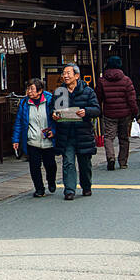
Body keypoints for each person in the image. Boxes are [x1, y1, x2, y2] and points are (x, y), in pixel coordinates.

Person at [51, 64, 99, 200]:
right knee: (68, 163)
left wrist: (86, 111)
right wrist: (54, 115)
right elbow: (53, 109)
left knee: (85, 164)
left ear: (76, 76)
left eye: (68, 73)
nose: (65, 76)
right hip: (66, 134)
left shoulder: (87, 91)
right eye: (64, 73)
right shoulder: (60, 92)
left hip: (83, 133)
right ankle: (69, 190)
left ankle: (86, 186)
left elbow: (97, 109)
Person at [12, 79, 56, 197]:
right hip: (32, 139)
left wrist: (54, 131)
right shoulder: (24, 103)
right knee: (34, 166)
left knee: (50, 165)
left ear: (40, 91)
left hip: (48, 139)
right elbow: (19, 122)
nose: (29, 92)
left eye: (32, 89)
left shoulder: (50, 100)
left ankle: (51, 181)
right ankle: (39, 189)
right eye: (28, 89)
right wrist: (15, 139)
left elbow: (57, 119)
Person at [97, 55, 139, 171]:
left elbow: (98, 98)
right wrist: (135, 112)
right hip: (125, 114)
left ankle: (110, 157)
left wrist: (99, 111)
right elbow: (131, 99)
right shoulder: (126, 80)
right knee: (124, 138)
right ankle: (123, 162)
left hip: (109, 113)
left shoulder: (102, 81)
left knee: (108, 138)